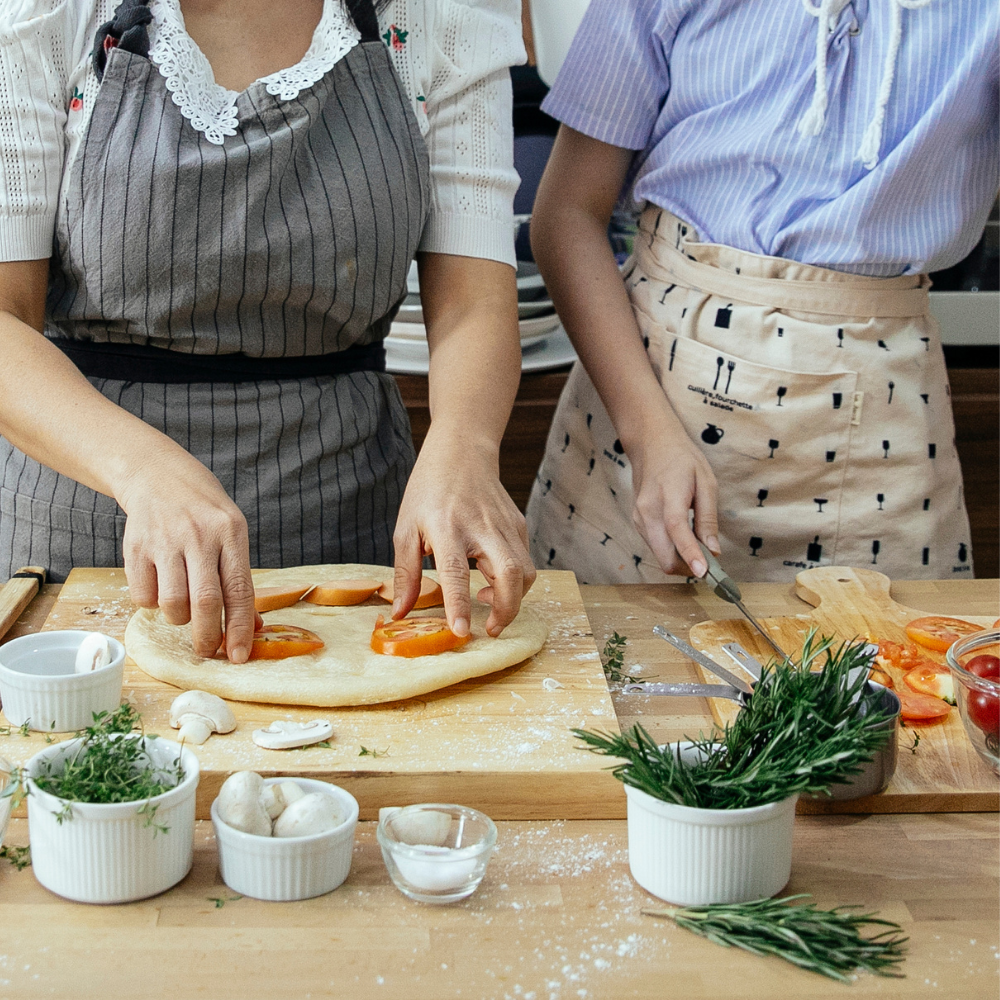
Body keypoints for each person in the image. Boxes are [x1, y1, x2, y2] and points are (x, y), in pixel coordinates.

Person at [0, 0, 535, 662]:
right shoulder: (47, 18)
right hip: (88, 535)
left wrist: (467, 445)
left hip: (346, 528)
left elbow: (473, 300)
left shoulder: (438, 18)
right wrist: (139, 468)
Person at [525, 0, 998, 585]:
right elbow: (566, 215)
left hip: (886, 423)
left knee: (895, 672)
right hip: (644, 403)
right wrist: (648, 435)